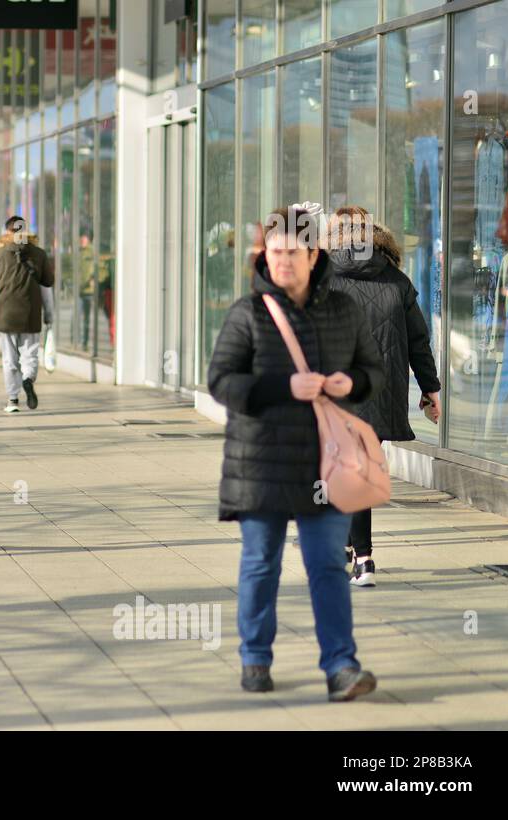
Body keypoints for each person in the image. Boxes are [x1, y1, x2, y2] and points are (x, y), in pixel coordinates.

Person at [207, 205, 385, 702]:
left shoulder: (344, 310)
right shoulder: (248, 313)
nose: (281, 261)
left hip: (325, 463)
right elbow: (220, 381)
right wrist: (285, 386)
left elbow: (374, 368)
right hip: (260, 461)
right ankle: (255, 657)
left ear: (314, 255)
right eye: (274, 252)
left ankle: (341, 667)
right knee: (261, 562)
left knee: (328, 565)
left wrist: (355, 382)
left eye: (292, 252)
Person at [325, 205, 442, 587]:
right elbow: (418, 341)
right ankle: (349, 549)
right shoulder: (397, 280)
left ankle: (363, 558)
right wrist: (431, 388)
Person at [0, 216, 54, 414]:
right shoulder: (39, 254)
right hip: (31, 313)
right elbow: (48, 282)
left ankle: (13, 399)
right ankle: (28, 379)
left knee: (9, 359)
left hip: (7, 314)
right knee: (30, 354)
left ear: (8, 232)